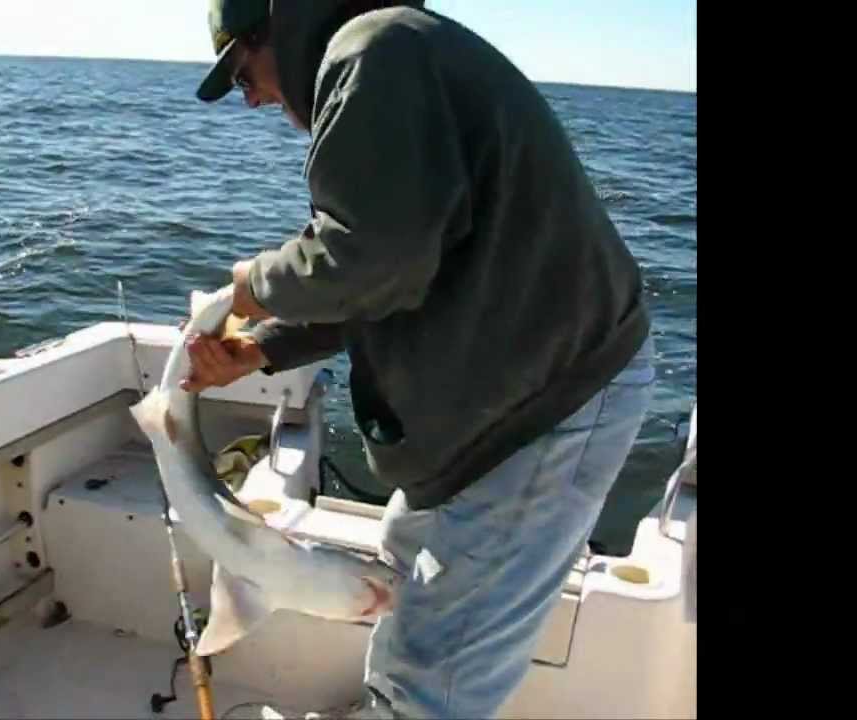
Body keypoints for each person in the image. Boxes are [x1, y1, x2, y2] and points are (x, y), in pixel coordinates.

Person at [182, 1, 656, 718]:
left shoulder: (373, 54)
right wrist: (261, 350)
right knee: (406, 568)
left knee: (436, 676)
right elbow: (396, 276)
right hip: (495, 399)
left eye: (242, 75)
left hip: (550, 402)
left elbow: (375, 259)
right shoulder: (386, 59)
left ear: (270, 27)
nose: (250, 100)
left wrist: (253, 284)